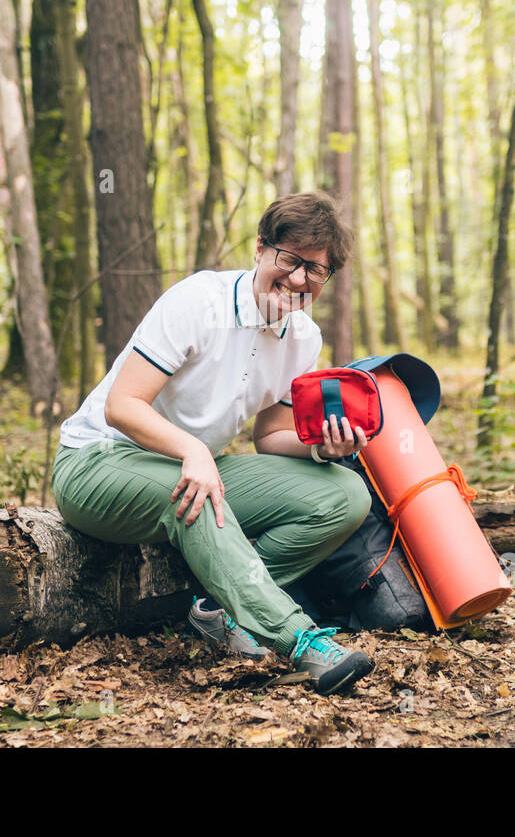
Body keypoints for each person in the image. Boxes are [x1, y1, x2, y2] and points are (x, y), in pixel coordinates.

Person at [52, 191, 376, 694]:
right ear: (260, 248)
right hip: (98, 461)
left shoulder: (303, 338)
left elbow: (268, 437)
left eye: (316, 270)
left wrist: (322, 449)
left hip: (195, 469)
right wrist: (194, 450)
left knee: (345, 495)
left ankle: (219, 612)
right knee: (200, 493)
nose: (298, 280)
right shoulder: (198, 302)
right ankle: (299, 640)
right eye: (289, 259)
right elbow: (123, 406)